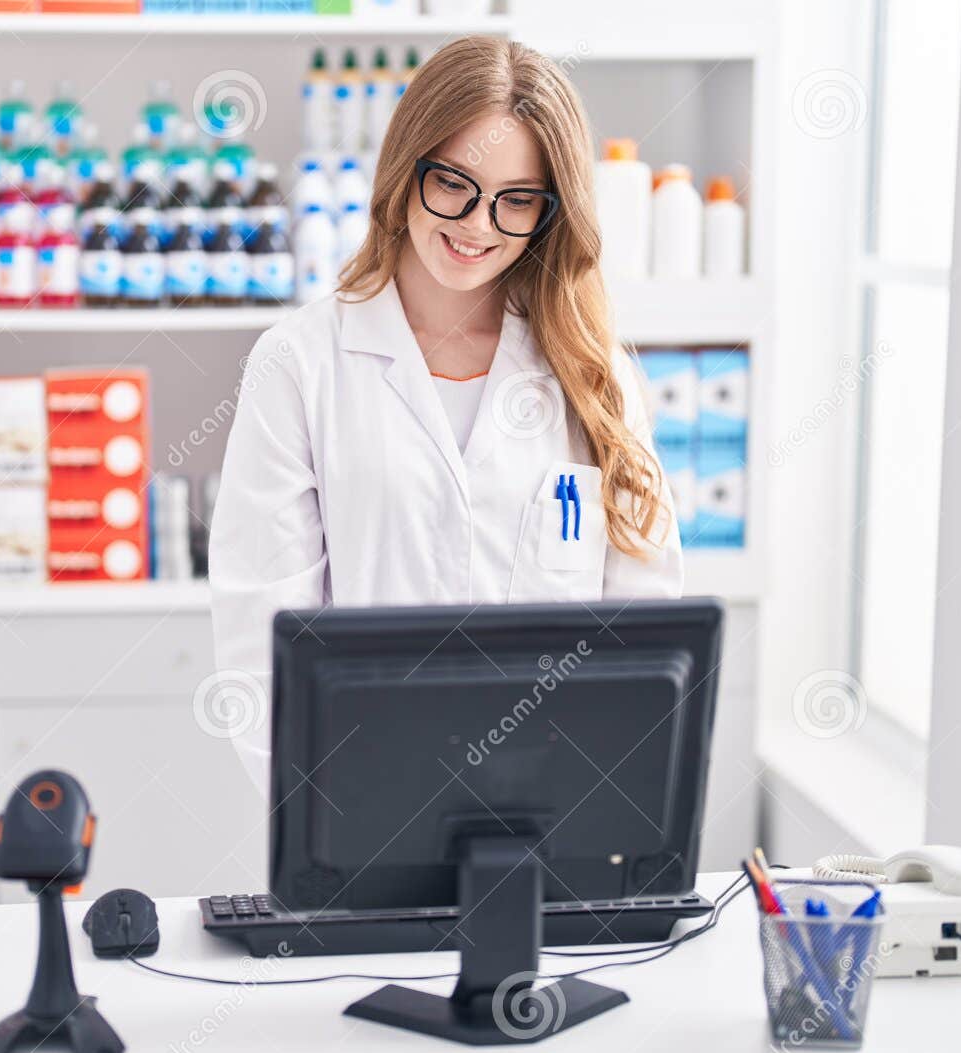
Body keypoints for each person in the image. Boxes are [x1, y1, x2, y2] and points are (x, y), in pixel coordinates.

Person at [210, 36, 684, 792]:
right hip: (359, 809)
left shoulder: (599, 377)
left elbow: (644, 637)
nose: (478, 224)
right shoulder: (299, 364)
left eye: (517, 199)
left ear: (550, 212)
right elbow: (262, 641)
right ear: (405, 170)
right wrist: (330, 820)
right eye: (454, 184)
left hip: (555, 817)